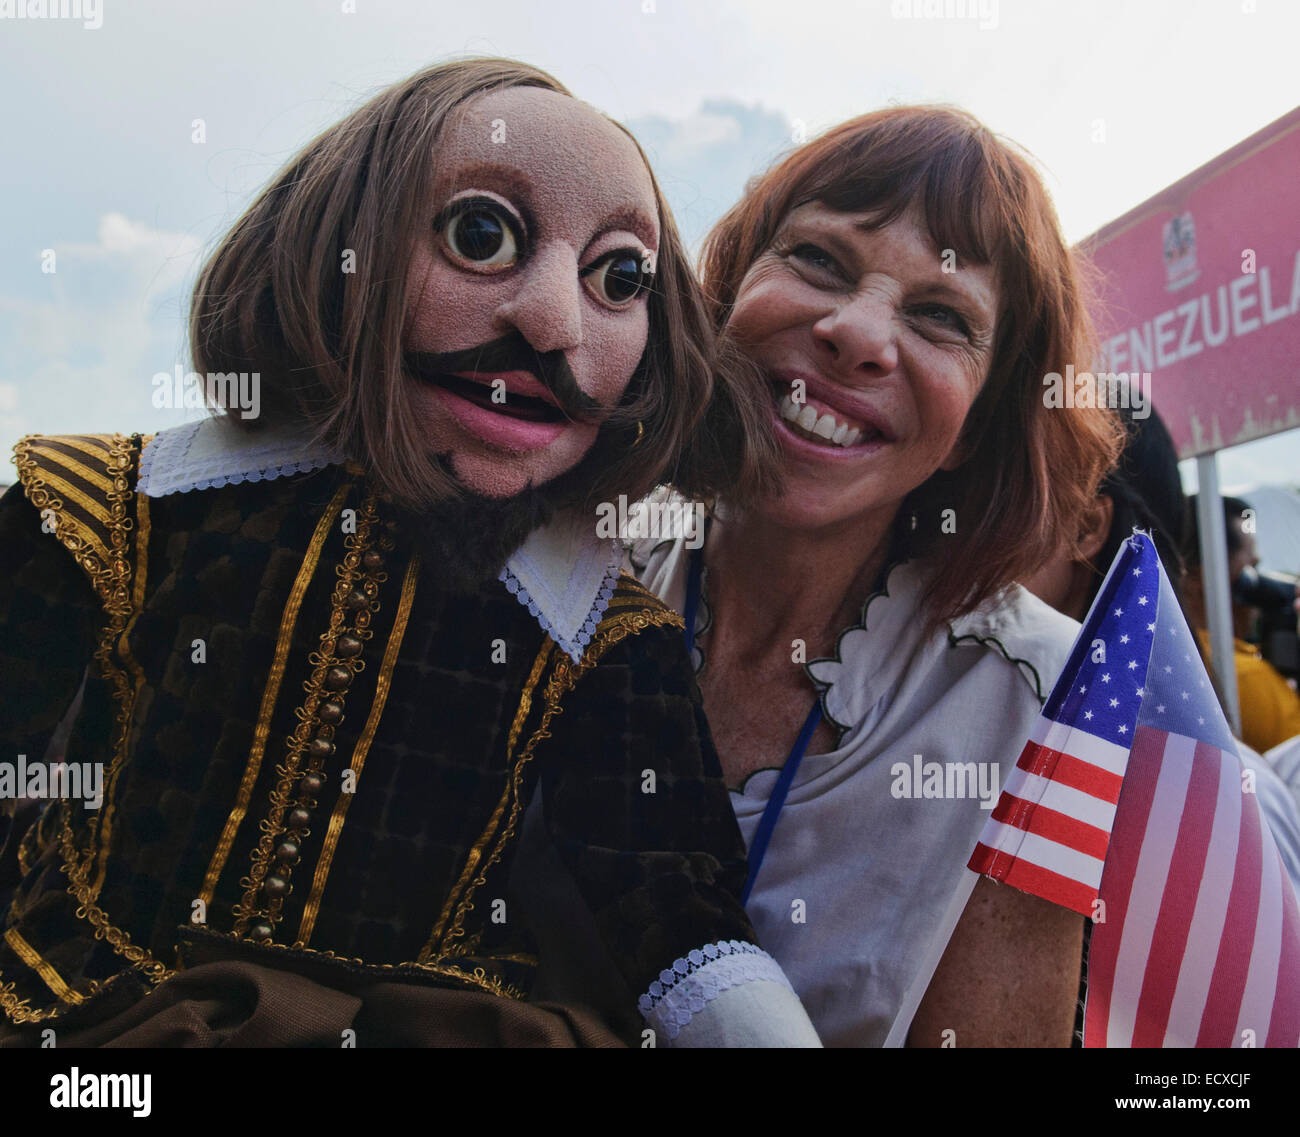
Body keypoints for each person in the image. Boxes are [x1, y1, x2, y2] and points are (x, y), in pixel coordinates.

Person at [0, 58, 819, 1047]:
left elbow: (671, 909)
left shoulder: (602, 634)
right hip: (88, 1016)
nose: (552, 318)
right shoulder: (109, 511)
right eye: (481, 236)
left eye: (618, 278)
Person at [585, 106, 1124, 1047]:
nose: (858, 333)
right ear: (727, 292)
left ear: (981, 425)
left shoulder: (1049, 707)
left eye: (941, 316)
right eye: (820, 260)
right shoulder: (573, 567)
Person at [1183, 495, 1300, 755]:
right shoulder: (1242, 674)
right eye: (1250, 572)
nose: (1261, 588)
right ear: (1205, 576)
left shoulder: (1167, 650)